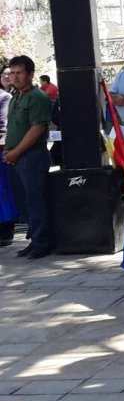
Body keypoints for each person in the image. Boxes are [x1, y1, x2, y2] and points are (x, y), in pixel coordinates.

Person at [2, 55, 53, 259]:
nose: (14, 77)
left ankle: (43, 242)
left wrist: (16, 151)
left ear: (30, 74)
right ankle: (34, 239)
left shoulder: (38, 97)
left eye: (19, 73)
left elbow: (37, 129)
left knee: (35, 200)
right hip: (15, 158)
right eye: (12, 73)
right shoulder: (16, 97)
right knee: (23, 202)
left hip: (31, 156)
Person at [0, 67, 16, 246]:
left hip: (2, 147)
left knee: (3, 190)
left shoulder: (5, 97)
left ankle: (5, 230)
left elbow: (2, 125)